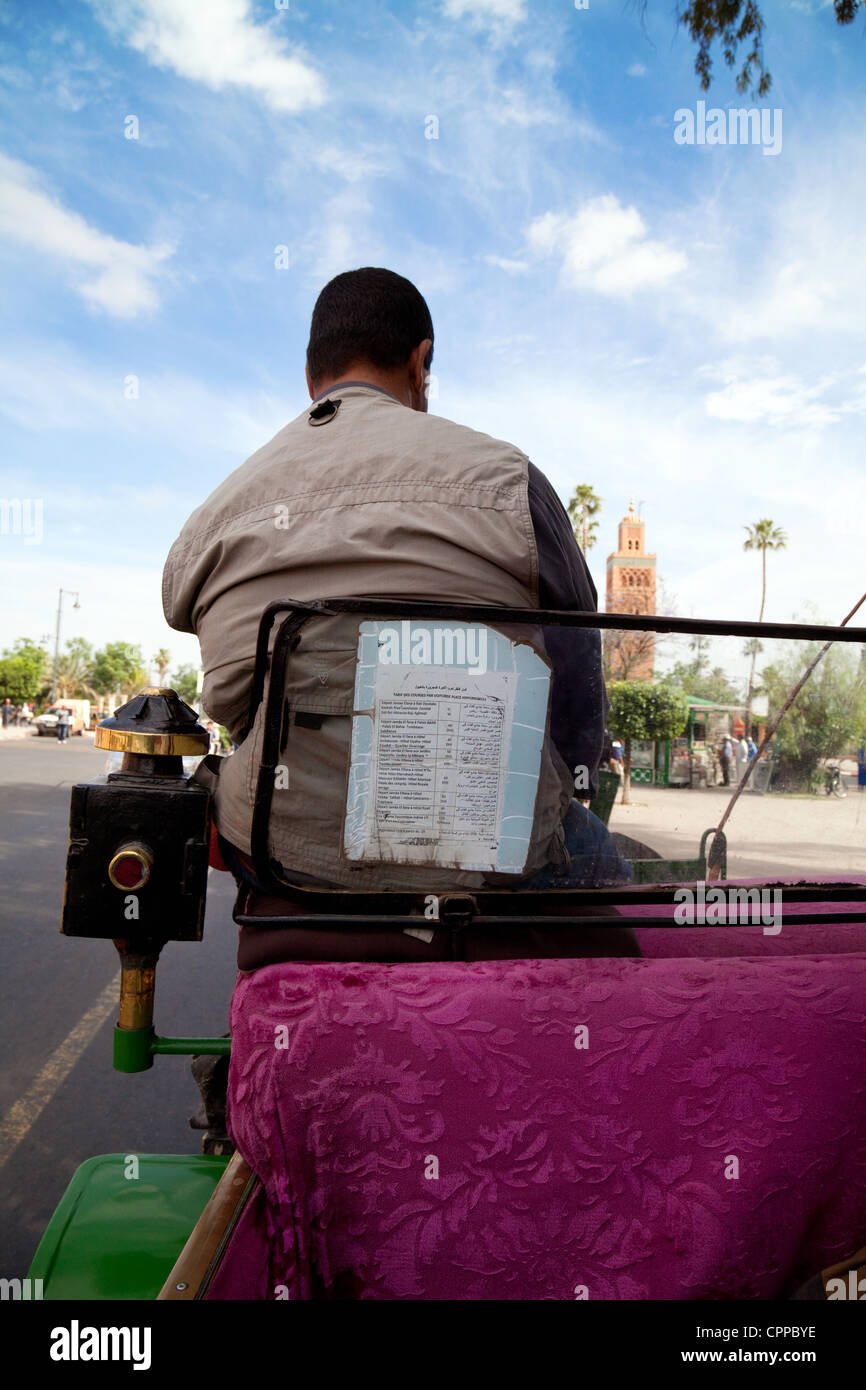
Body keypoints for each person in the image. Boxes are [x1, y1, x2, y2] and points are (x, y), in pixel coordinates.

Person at [163, 268, 636, 959]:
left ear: (309, 376)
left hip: (285, 850)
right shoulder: (507, 480)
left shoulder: (219, 511)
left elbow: (224, 685)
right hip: (493, 858)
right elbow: (575, 665)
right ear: (421, 362)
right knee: (618, 888)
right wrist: (570, 786)